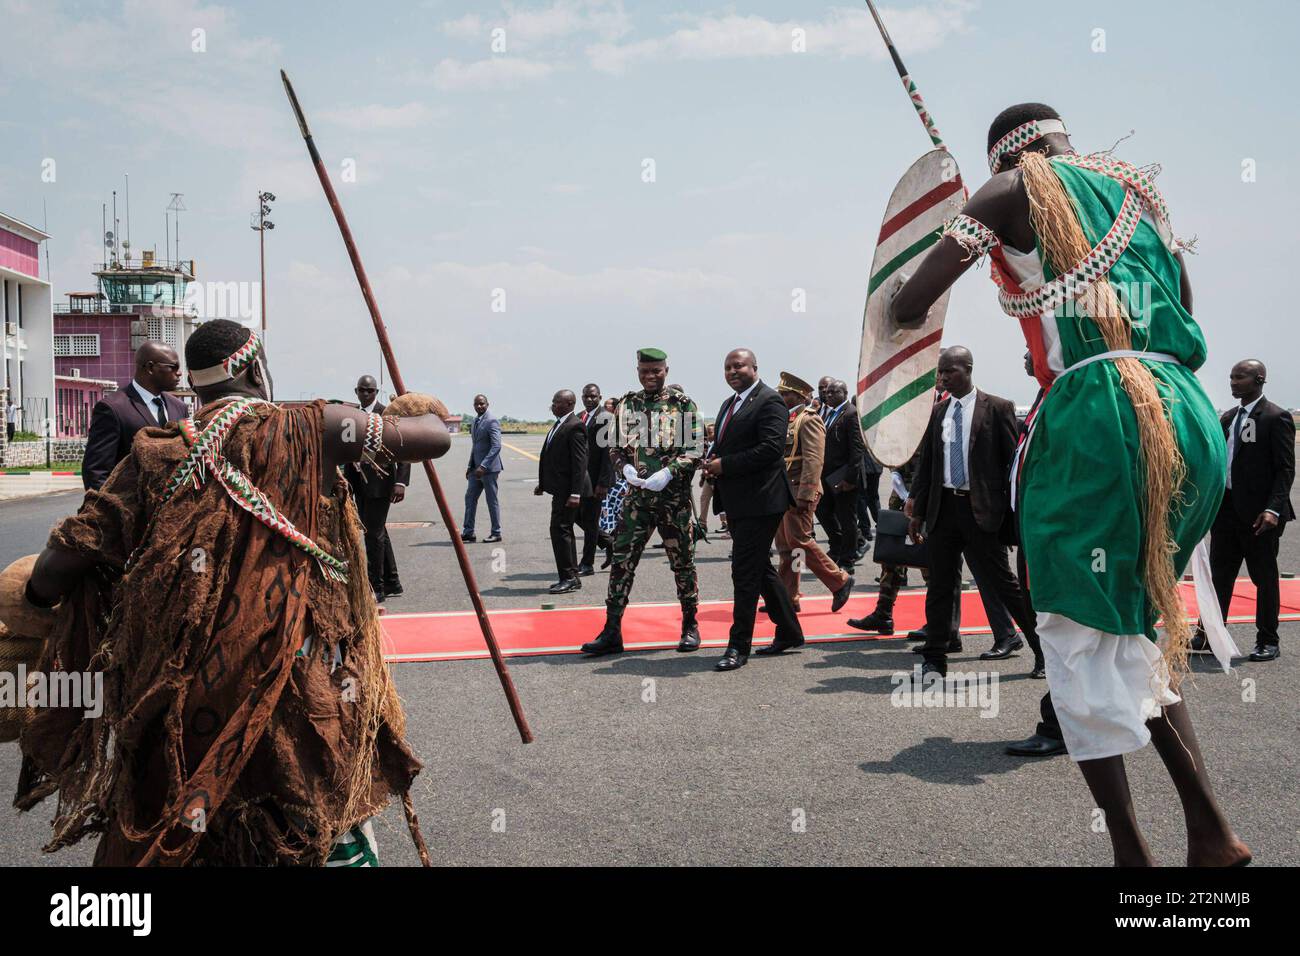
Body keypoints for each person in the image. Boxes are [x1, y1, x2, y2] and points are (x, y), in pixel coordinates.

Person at [890, 102, 1248, 865]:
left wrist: (921, 267)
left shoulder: (1004, 191)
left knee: (1074, 634)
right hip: (1182, 409)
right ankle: (1210, 831)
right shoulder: (1140, 198)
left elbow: (910, 303)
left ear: (1003, 157)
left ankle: (1130, 852)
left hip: (1097, 418)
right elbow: (1182, 303)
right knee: (1134, 622)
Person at [14, 318, 451, 865]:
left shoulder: (157, 452)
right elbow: (433, 439)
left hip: (181, 689)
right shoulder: (313, 428)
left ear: (193, 384)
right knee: (308, 813)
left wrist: (30, 604)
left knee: (193, 823)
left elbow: (64, 557)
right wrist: (421, 412)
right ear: (254, 368)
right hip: (292, 682)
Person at [907, 347, 1038, 674]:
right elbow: (929, 465)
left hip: (980, 511)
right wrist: (918, 511)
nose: (943, 378)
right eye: (941, 372)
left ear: (967, 369)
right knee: (940, 585)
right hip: (943, 509)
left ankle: (1044, 651)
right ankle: (934, 659)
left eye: (949, 371)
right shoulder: (938, 412)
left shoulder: (997, 408)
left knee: (1005, 585)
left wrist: (1010, 520)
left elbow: (1012, 467)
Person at [581, 349, 703, 656]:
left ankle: (690, 625)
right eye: (644, 370)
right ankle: (612, 631)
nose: (650, 376)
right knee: (622, 563)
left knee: (683, 564)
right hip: (637, 501)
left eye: (656, 371)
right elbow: (614, 448)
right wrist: (625, 468)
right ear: (637, 370)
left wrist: (669, 472)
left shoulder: (683, 405)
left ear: (666, 370)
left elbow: (695, 450)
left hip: (673, 501)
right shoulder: (626, 405)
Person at [703, 348, 804, 670]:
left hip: (763, 501)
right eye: (727, 367)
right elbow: (725, 444)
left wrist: (724, 465)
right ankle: (789, 631)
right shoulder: (728, 404)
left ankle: (738, 646)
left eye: (739, 365)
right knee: (759, 568)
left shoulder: (769, 400)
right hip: (738, 500)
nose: (732, 371)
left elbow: (770, 450)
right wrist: (710, 462)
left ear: (754, 367)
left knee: (744, 571)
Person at [1201, 359, 1295, 662]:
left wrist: (1273, 509)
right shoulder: (1227, 418)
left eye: (1239, 377)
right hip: (1226, 513)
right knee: (1219, 577)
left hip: (1260, 517)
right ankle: (1210, 635)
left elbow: (1285, 470)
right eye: (1231, 376)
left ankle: (1268, 639)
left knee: (1264, 579)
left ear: (1259, 379)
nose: (1232, 382)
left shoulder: (1275, 417)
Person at [773, 372, 855, 612]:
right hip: (784, 490)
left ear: (797, 396)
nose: (780, 396)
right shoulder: (786, 419)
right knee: (789, 548)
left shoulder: (808, 419)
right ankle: (790, 595)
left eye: (785, 394)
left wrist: (806, 494)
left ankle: (839, 581)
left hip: (800, 489)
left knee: (800, 541)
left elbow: (814, 459)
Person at [80, 341, 186, 490]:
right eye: (173, 367)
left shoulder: (179, 407)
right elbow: (96, 471)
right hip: (131, 508)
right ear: (150, 368)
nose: (179, 372)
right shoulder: (113, 408)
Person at [345, 374, 411, 603]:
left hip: (381, 484)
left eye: (369, 390)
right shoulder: (352, 415)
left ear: (376, 392)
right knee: (377, 531)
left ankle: (377, 588)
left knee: (373, 535)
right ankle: (392, 582)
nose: (365, 394)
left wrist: (401, 482)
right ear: (356, 391)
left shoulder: (387, 414)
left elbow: (402, 449)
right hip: (359, 484)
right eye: (362, 390)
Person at [536, 389, 588, 594]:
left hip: (568, 493)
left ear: (569, 404)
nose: (552, 405)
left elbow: (579, 463)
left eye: (556, 402)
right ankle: (572, 575)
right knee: (562, 531)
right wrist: (543, 484)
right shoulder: (559, 425)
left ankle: (568, 577)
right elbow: (551, 458)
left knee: (561, 532)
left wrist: (575, 493)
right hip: (560, 490)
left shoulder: (575, 426)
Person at [816, 380, 864, 571]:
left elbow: (857, 449)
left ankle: (848, 559)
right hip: (826, 476)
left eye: (833, 392)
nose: (828, 395)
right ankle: (837, 546)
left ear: (845, 392)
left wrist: (850, 479)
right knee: (823, 512)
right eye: (827, 393)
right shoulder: (828, 413)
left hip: (843, 477)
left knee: (847, 518)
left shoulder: (851, 413)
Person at [577, 383, 614, 575]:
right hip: (581, 480)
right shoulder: (579, 417)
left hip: (596, 480)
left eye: (593, 396)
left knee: (590, 521)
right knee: (576, 516)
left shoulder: (604, 418)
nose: (589, 399)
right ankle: (608, 541)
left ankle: (587, 564)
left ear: (600, 397)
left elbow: (608, 453)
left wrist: (603, 483)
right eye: (586, 396)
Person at [462, 393, 503, 543]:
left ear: (487, 404)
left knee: (491, 501)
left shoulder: (492, 421)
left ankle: (496, 533)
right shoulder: (474, 421)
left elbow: (496, 446)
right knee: (470, 499)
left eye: (482, 404)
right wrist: (470, 466)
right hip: (475, 469)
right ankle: (468, 532)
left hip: (489, 469)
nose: (479, 406)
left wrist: (484, 465)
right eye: (477, 404)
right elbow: (475, 447)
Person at [697, 422, 717, 533]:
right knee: (704, 499)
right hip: (707, 478)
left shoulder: (719, 444)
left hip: (716, 478)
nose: (708, 435)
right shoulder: (708, 446)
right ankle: (702, 525)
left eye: (710, 433)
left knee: (723, 501)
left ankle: (728, 525)